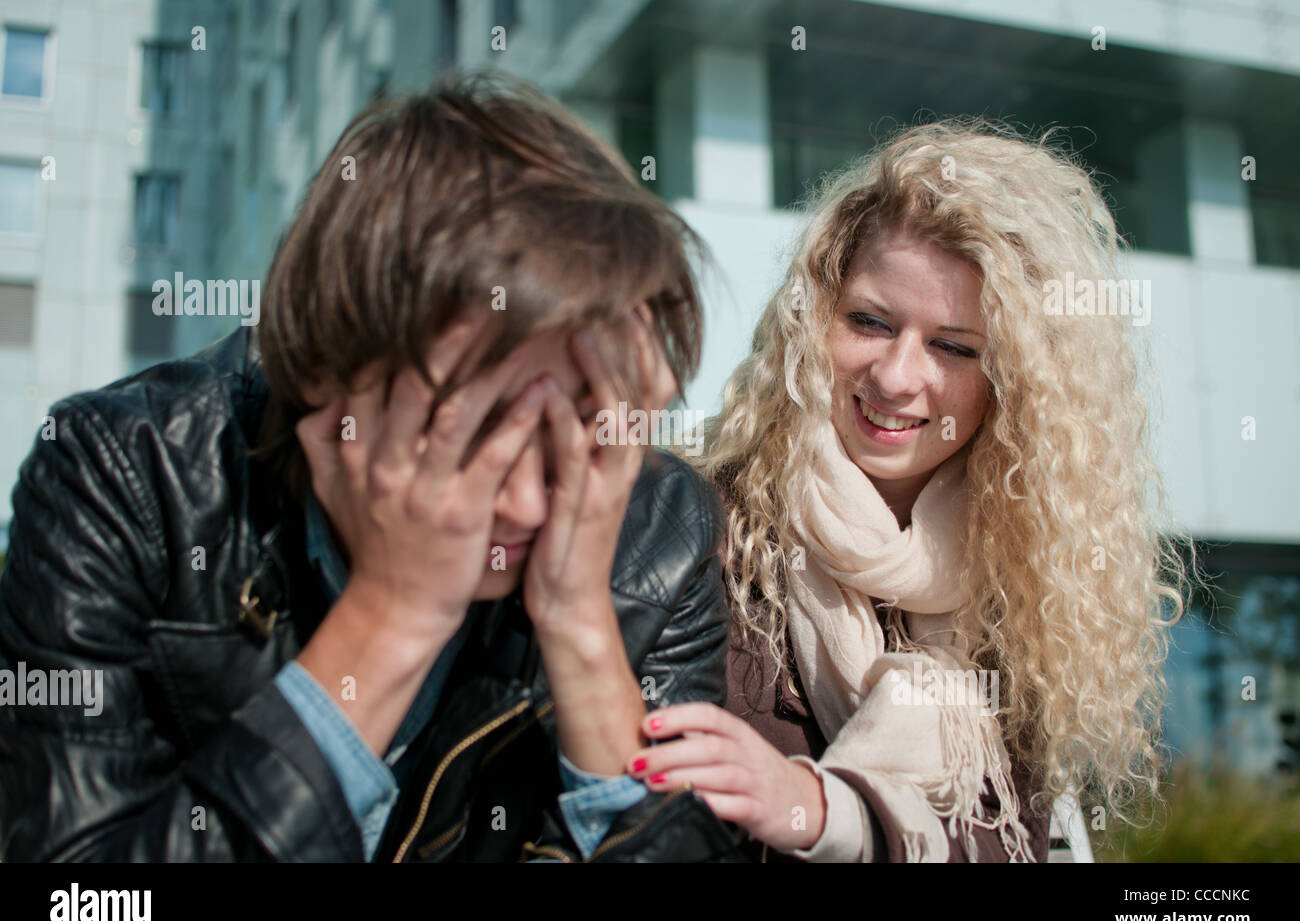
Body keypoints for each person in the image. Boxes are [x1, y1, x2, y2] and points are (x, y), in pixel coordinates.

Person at [0, 72, 747, 863]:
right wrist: (393, 617)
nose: (528, 504)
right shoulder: (124, 477)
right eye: (481, 432)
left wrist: (584, 630)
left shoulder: (662, 531)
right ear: (330, 369)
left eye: (577, 431)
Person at [624, 120, 1188, 862]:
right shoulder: (686, 528)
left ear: (1013, 383)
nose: (895, 376)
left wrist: (828, 813)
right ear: (813, 317)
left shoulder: (1021, 590)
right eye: (868, 321)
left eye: (953, 346)